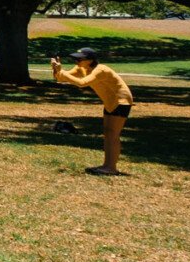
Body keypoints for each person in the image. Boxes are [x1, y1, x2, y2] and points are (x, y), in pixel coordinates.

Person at [49, 47, 133, 175]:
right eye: (75, 58)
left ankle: (111, 168)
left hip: (121, 100)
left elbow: (82, 83)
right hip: (110, 101)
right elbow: (61, 78)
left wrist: (62, 73)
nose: (76, 60)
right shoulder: (82, 68)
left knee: (113, 134)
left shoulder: (101, 70)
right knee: (108, 133)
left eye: (79, 58)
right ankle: (107, 166)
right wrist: (56, 69)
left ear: (90, 60)